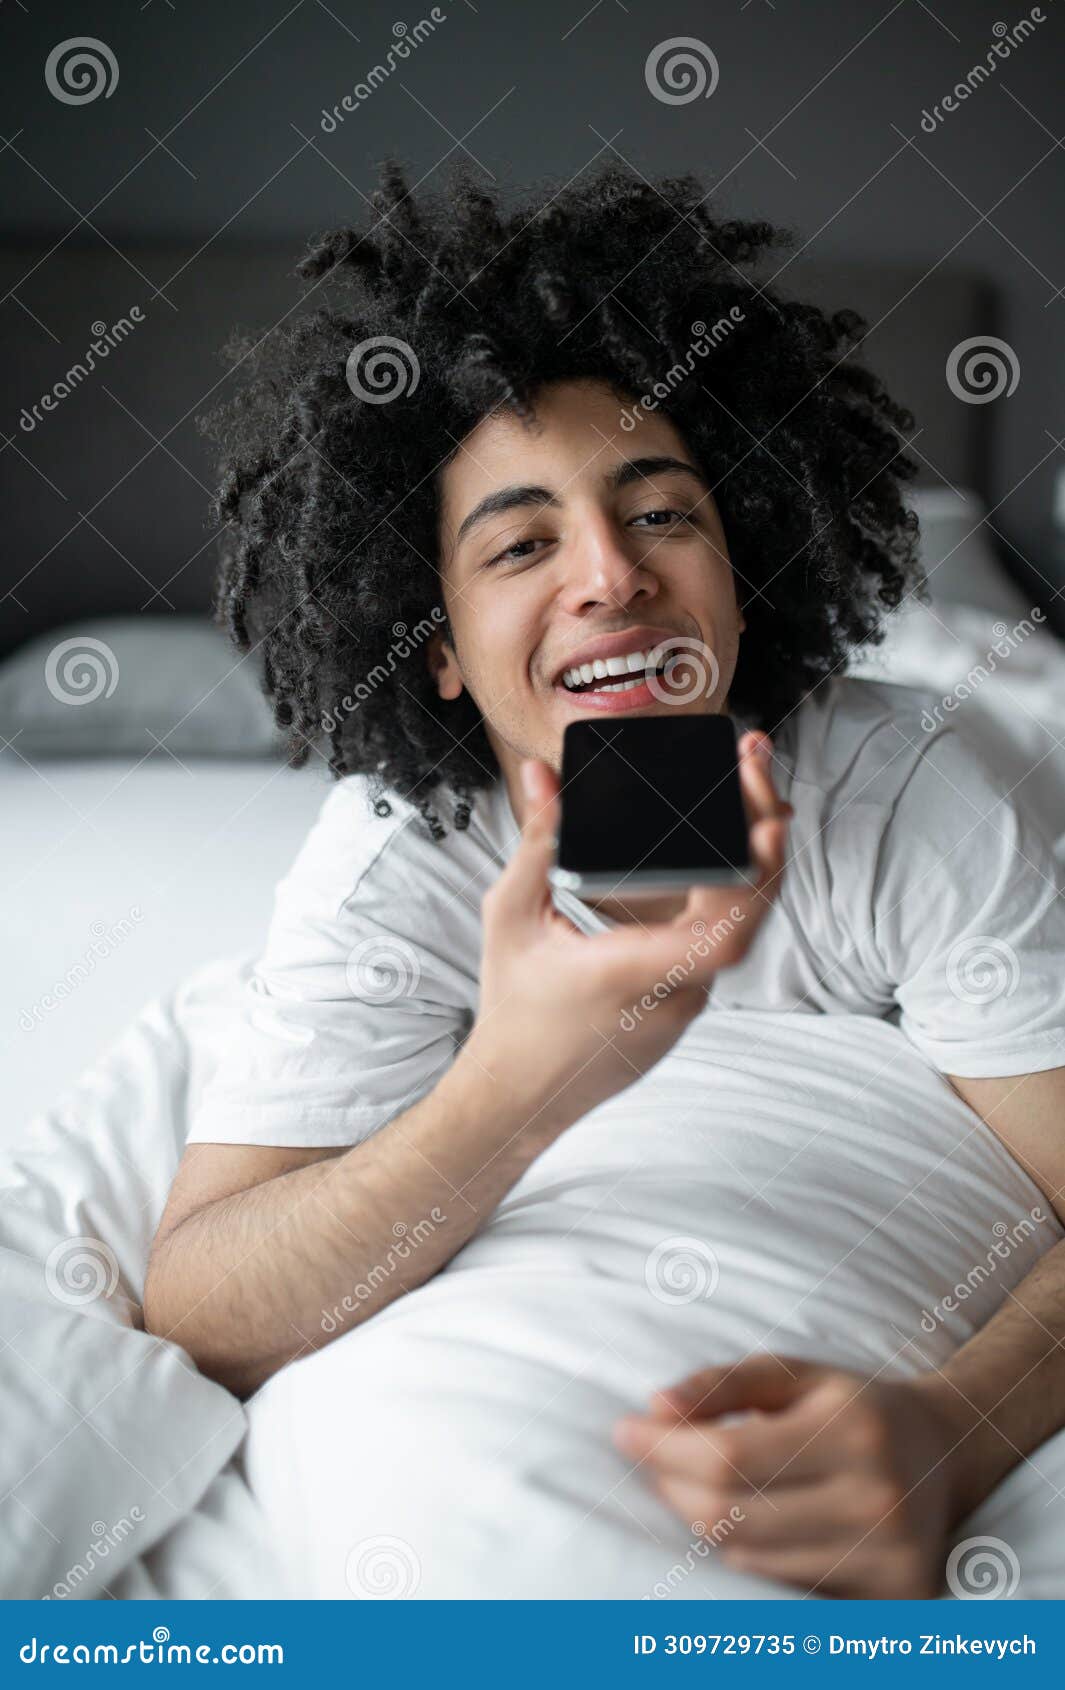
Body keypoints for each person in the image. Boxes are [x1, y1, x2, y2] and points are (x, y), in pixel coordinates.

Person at [143, 163, 1065, 1598]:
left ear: (740, 563)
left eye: (663, 514)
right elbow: (203, 1307)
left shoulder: (909, 800)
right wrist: (521, 1079)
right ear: (438, 647)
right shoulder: (398, 854)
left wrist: (955, 1428)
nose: (609, 576)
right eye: (521, 544)